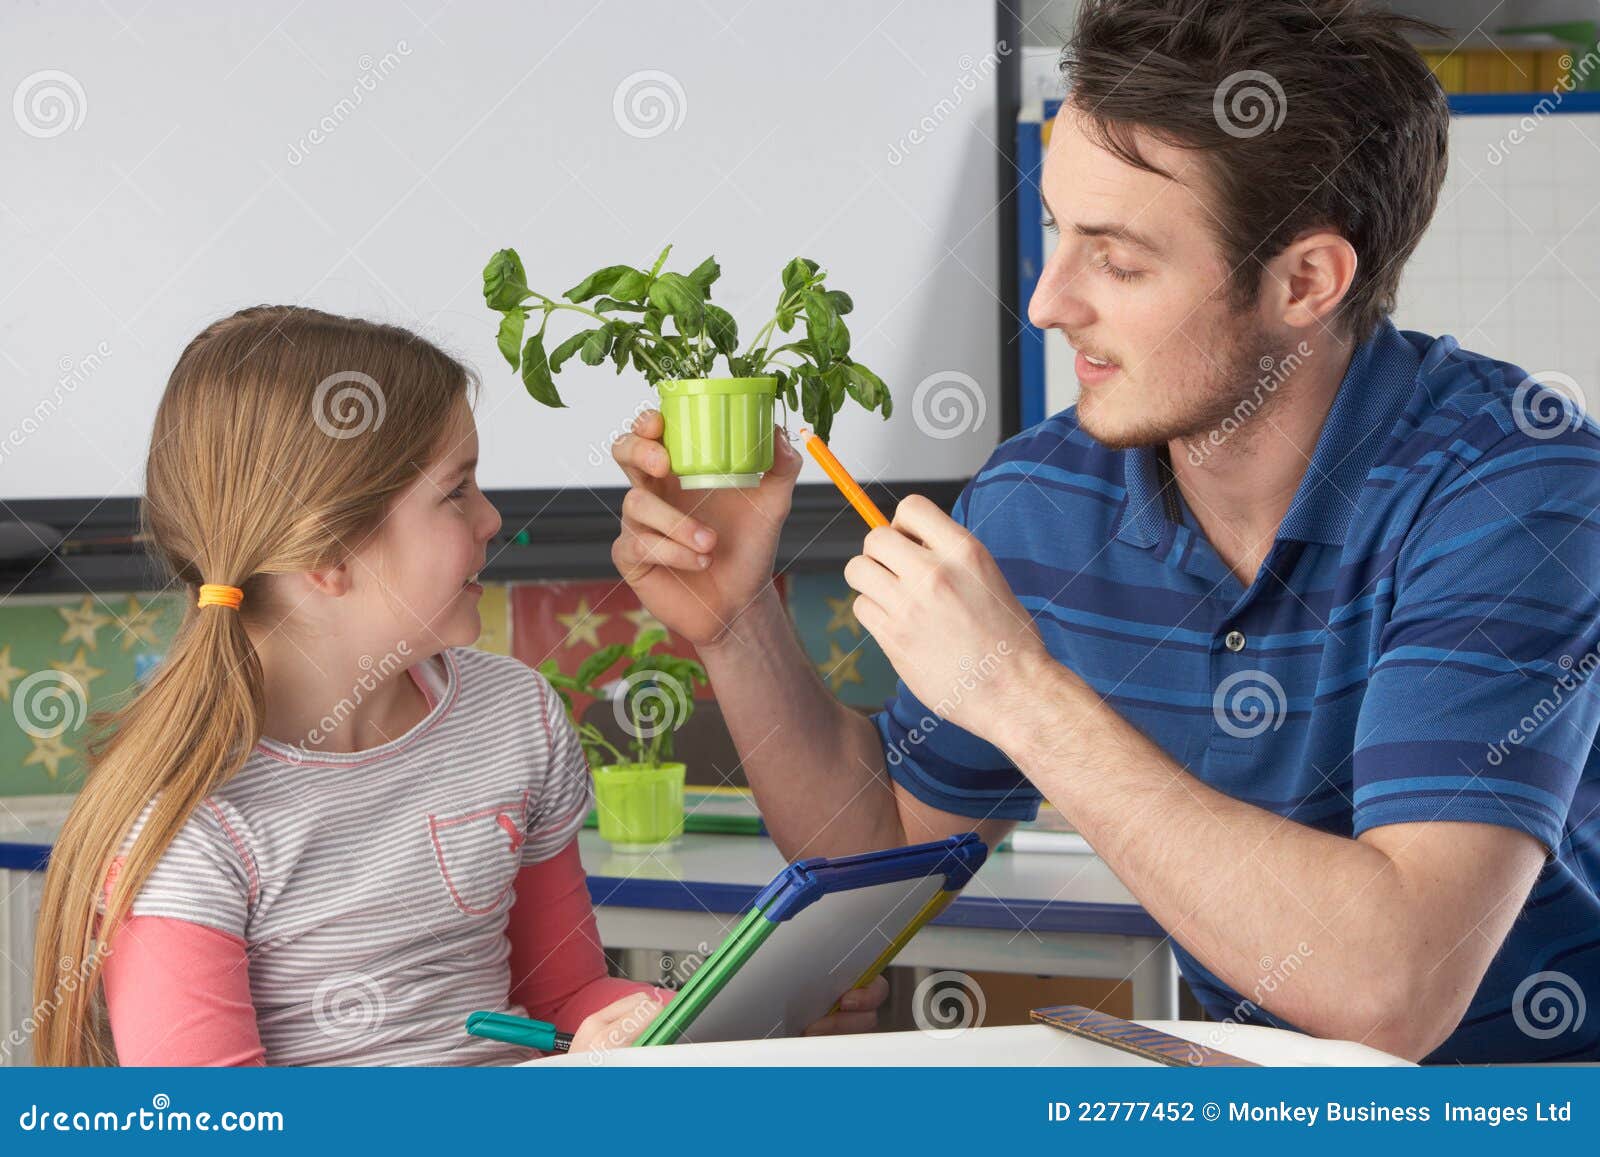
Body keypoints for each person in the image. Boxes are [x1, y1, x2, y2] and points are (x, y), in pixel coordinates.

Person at [609, 0, 1600, 1064]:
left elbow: (1390, 985)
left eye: (1118, 262)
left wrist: (1014, 688)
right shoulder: (1039, 496)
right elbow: (883, 853)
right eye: (1054, 236)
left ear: (1305, 281)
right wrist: (736, 623)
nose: (1044, 302)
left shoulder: (1519, 493)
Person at [33, 305, 883, 1065]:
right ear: (329, 555)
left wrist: (704, 1025)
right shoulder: (190, 822)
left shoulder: (513, 716)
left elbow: (562, 1000)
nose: (491, 518)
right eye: (456, 492)